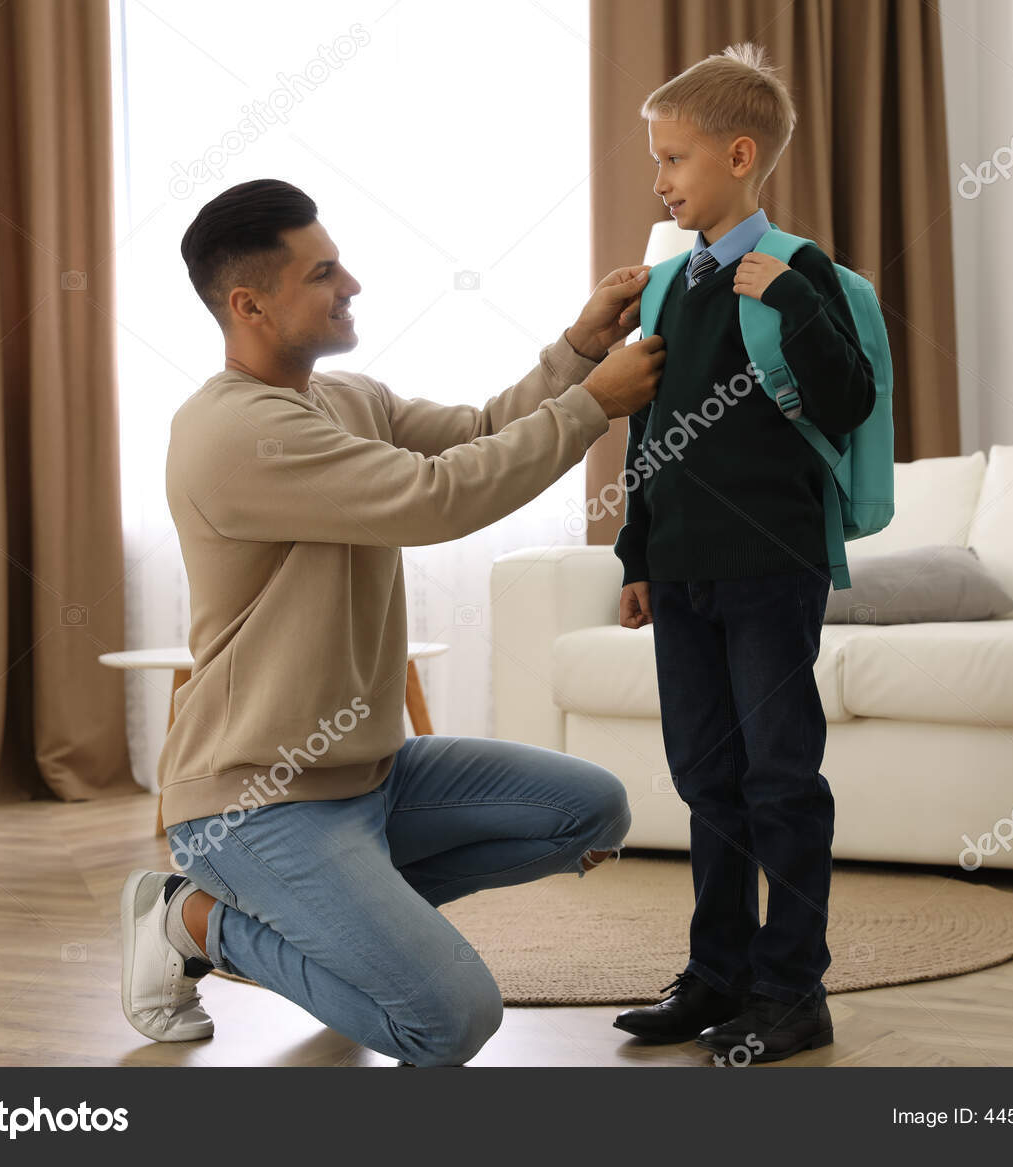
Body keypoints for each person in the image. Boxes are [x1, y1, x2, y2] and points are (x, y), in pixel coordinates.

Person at [119, 178, 665, 1067]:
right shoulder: (231, 433)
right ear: (249, 304)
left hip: (369, 778)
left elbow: (482, 431)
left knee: (588, 812)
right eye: (324, 272)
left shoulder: (347, 400)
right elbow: (436, 497)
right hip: (255, 801)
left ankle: (346, 932)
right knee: (447, 1023)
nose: (353, 285)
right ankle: (189, 920)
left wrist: (577, 350)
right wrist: (594, 404)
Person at [608, 45, 878, 1063]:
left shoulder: (802, 272)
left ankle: (792, 989)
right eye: (656, 161)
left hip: (771, 566)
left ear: (737, 154)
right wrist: (636, 554)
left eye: (674, 159)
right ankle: (715, 977)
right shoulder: (670, 287)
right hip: (680, 569)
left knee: (779, 778)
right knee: (704, 777)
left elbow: (847, 403)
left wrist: (796, 305)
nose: (661, 180)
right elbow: (645, 431)